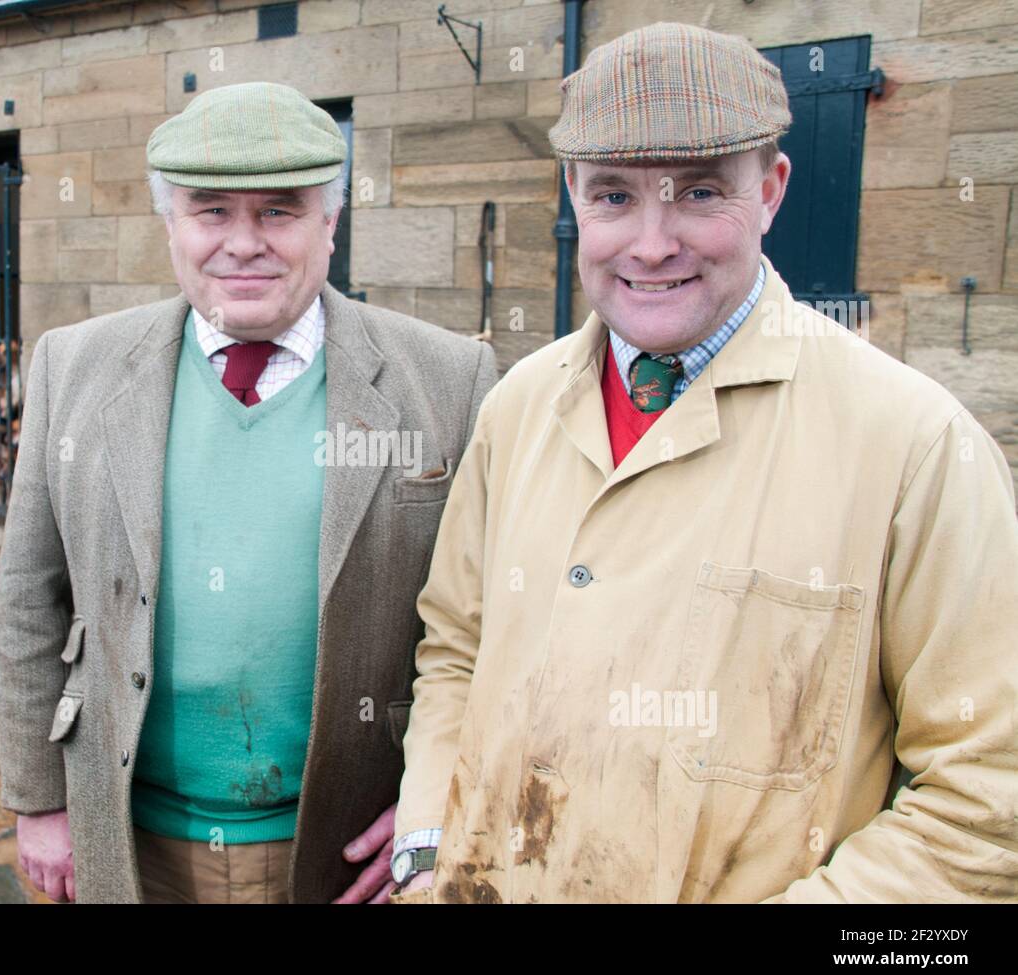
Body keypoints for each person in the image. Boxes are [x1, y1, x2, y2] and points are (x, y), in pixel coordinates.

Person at [391, 21, 1018, 903]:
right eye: (613, 196)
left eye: (698, 192)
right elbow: (454, 652)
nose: (652, 243)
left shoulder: (919, 447)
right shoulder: (518, 406)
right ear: (573, 195)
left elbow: (989, 804)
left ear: (772, 190)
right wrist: (425, 843)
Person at [0, 82, 497, 903]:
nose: (243, 242)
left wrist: (437, 795)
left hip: (346, 852)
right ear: (170, 224)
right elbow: (27, 596)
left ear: (331, 222)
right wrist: (38, 799)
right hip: (126, 837)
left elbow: (488, 631)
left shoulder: (451, 379)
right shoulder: (70, 365)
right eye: (212, 211)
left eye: (279, 211)